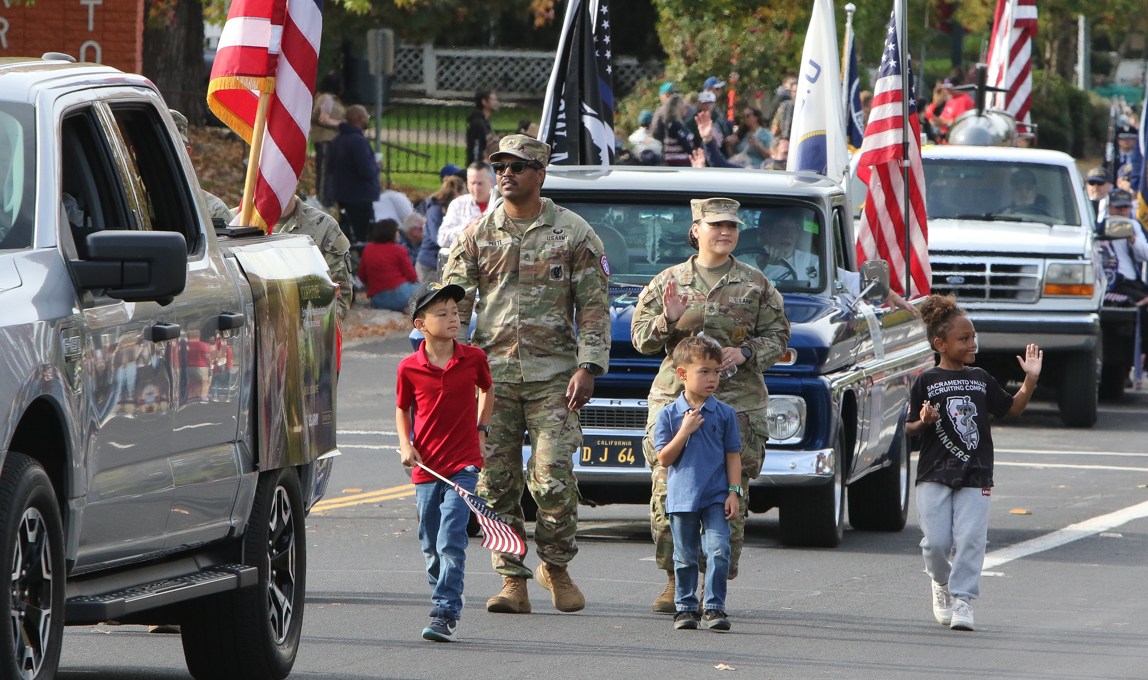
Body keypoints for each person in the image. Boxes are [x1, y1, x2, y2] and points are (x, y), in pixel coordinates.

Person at [442, 134, 610, 615]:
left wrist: (588, 365)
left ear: (540, 173)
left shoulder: (573, 233)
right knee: (495, 483)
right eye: (500, 167)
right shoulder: (477, 234)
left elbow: (593, 306)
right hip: (491, 379)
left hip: (554, 377)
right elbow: (453, 305)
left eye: (517, 167)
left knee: (553, 476)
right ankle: (511, 579)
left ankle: (555, 565)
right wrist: (450, 365)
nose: (506, 174)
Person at [631, 197, 791, 613]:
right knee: (668, 491)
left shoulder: (755, 283)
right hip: (676, 400)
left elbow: (779, 335)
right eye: (716, 225)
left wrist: (748, 352)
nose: (725, 232)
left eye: (732, 226)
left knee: (731, 494)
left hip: (736, 403)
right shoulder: (669, 281)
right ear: (696, 230)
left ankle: (714, 586)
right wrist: (668, 319)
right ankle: (675, 579)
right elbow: (640, 340)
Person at [906, 295, 1042, 632]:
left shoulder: (981, 377)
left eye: (973, 337)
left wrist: (1030, 379)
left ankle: (963, 600)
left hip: (976, 472)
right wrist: (924, 420)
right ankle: (941, 582)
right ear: (941, 344)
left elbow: (1013, 408)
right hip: (934, 472)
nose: (972, 344)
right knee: (935, 543)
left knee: (970, 539)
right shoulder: (926, 380)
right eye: (964, 339)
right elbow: (910, 427)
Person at [396, 281, 494, 642]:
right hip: (426, 466)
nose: (453, 318)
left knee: (452, 536)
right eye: (442, 313)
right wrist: (405, 445)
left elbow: (487, 389)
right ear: (421, 324)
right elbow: (402, 409)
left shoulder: (474, 358)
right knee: (430, 542)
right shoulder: (409, 367)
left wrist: (481, 430)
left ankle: (445, 610)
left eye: (455, 312)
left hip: (464, 463)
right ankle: (446, 586)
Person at [653, 335, 742, 632]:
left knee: (718, 550)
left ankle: (714, 607)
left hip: (717, 496)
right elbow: (664, 459)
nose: (712, 378)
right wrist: (685, 430)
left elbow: (733, 456)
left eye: (716, 372)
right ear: (682, 374)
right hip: (683, 498)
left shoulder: (726, 413)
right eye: (704, 371)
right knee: (685, 556)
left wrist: (734, 492)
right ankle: (685, 609)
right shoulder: (668, 414)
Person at [271, 195, 352, 320]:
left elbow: (340, 297)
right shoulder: (240, 221)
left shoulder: (323, 226)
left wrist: (313, 326)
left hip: (305, 328)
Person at [168, 109, 233, 222]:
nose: (166, 152)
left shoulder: (213, 211)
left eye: (174, 146)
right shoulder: (133, 201)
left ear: (186, 153)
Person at [329, 105, 381, 244]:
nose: (368, 119)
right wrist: (376, 167)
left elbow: (330, 167)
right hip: (360, 197)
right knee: (363, 236)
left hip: (342, 195)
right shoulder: (358, 141)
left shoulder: (337, 139)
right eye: (366, 116)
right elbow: (366, 171)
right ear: (359, 118)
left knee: (347, 233)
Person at [1104, 190, 1148, 343]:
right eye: (1118, 207)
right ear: (1109, 207)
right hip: (1115, 282)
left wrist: (1132, 239)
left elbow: (1145, 254)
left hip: (1133, 280)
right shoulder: (1101, 225)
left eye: (1126, 207)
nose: (1122, 211)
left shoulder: (1133, 225)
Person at [360, 219, 419, 312]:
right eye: (397, 231)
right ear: (392, 233)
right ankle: (408, 307)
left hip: (377, 300)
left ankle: (404, 307)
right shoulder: (399, 250)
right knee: (428, 290)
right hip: (401, 294)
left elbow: (362, 276)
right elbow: (412, 276)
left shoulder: (367, 249)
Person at [436, 162, 496, 249]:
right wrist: (468, 228)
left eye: (480, 183)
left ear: (491, 181)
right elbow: (442, 239)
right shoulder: (458, 204)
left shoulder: (501, 204)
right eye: (473, 183)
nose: (476, 188)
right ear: (467, 183)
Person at [418, 175, 466, 282]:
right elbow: (437, 237)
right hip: (430, 264)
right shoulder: (435, 210)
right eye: (464, 191)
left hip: (442, 262)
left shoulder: (451, 210)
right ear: (456, 193)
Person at [311, 71, 346, 207]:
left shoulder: (331, 99)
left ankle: (329, 201)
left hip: (332, 141)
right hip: (325, 140)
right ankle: (323, 201)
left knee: (330, 173)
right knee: (325, 173)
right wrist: (341, 124)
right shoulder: (327, 98)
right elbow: (323, 119)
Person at [653, 94, 695, 166]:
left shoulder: (667, 124)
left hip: (672, 161)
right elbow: (685, 143)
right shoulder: (675, 125)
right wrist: (694, 153)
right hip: (681, 162)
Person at [466, 90, 500, 166]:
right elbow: (475, 147)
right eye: (493, 99)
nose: (497, 102)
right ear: (484, 102)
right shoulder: (478, 123)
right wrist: (477, 165)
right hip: (479, 166)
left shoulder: (485, 121)